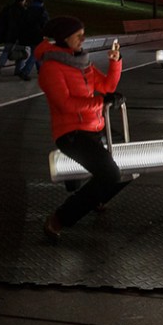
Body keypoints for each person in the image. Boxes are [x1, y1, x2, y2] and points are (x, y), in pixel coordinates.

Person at [38, 16, 128, 241]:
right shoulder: (51, 68)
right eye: (79, 35)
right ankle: (59, 219)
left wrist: (115, 61)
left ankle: (95, 197)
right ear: (64, 38)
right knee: (110, 173)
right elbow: (64, 104)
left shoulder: (82, 62)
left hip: (94, 126)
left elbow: (107, 86)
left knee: (130, 163)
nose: (83, 39)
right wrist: (102, 103)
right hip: (71, 133)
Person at [0, 0, 28, 77]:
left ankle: (0, 64)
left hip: (8, 35)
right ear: (22, 1)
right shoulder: (23, 11)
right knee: (23, 52)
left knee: (7, 50)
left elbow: (1, 21)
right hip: (19, 35)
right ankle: (18, 70)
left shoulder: (8, 9)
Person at [16, 0, 49, 81]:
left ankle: (40, 70)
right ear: (41, 3)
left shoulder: (27, 10)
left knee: (36, 52)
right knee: (36, 54)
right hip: (37, 36)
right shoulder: (42, 11)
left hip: (26, 35)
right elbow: (45, 24)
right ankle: (25, 71)